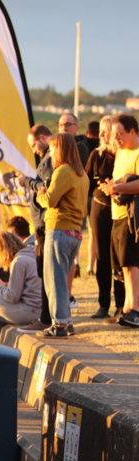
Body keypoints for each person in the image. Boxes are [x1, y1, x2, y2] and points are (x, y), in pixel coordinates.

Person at [35, 133, 88, 338]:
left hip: (58, 230)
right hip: (74, 232)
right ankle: (66, 321)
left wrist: (40, 192)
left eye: (52, 149)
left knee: (54, 280)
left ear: (61, 150)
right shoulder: (81, 174)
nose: (50, 153)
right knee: (61, 280)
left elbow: (49, 200)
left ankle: (59, 325)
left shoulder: (63, 171)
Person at [99, 114, 139, 327]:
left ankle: (136, 310)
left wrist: (117, 187)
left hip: (132, 216)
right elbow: (121, 180)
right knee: (123, 265)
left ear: (132, 131)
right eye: (114, 134)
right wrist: (111, 185)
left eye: (119, 134)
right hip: (118, 214)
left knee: (131, 263)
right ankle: (127, 309)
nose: (115, 139)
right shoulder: (122, 152)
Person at [16, 125, 55, 332]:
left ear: (43, 137)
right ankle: (50, 316)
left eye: (33, 145)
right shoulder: (47, 158)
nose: (33, 150)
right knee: (45, 270)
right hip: (43, 222)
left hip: (44, 223)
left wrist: (27, 181)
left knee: (45, 270)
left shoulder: (49, 160)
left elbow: (44, 189)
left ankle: (46, 317)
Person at [85, 116, 124, 319]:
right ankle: (103, 305)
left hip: (121, 210)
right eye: (100, 130)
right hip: (99, 209)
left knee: (120, 257)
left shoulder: (124, 154)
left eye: (105, 131)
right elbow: (86, 181)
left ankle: (121, 304)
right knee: (102, 257)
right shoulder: (96, 154)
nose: (100, 134)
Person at [0, 231, 41, 342]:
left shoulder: (18, 261)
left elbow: (12, 297)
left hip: (29, 311)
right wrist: (3, 284)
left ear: (2, 249)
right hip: (39, 309)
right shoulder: (31, 255)